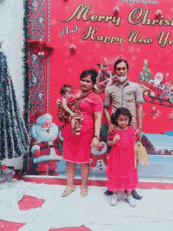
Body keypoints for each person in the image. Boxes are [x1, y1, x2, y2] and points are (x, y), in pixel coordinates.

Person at [56, 69, 103, 197]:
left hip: (85, 133)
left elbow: (98, 118)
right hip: (70, 132)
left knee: (84, 161)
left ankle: (84, 186)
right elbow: (63, 104)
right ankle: (69, 185)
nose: (84, 83)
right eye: (83, 80)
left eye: (88, 81)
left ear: (93, 83)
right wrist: (59, 103)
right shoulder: (73, 94)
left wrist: (96, 137)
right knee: (69, 160)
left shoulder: (96, 99)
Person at [103, 59, 144, 200]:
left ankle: (131, 189)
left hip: (131, 127)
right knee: (115, 158)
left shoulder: (135, 87)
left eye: (123, 69)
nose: (121, 71)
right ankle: (112, 187)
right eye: (118, 69)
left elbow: (139, 107)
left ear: (127, 70)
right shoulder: (110, 89)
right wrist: (109, 124)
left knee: (132, 159)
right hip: (115, 128)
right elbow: (105, 108)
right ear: (115, 71)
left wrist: (139, 127)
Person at [106, 107, 139, 207]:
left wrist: (135, 159)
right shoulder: (114, 130)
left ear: (129, 120)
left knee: (129, 175)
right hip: (116, 158)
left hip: (129, 158)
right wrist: (114, 141)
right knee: (116, 175)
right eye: (121, 120)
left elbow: (135, 145)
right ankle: (115, 195)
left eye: (125, 120)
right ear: (116, 119)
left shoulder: (132, 130)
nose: (123, 122)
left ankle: (129, 195)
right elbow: (108, 142)